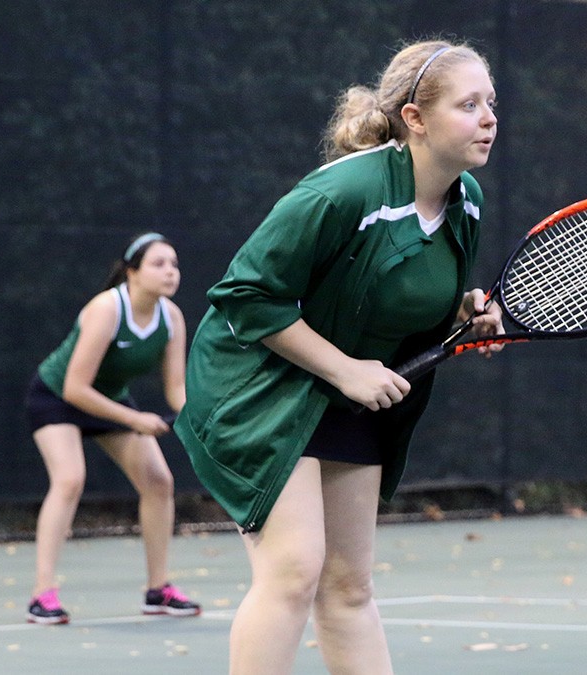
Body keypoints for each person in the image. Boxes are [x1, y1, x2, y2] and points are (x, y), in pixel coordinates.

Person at [174, 40, 502, 673]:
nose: (489, 117)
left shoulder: (465, 204)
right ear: (415, 118)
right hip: (260, 384)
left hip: (349, 388)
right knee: (295, 571)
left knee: (349, 587)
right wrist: (346, 370)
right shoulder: (343, 192)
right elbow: (246, 295)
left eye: (491, 102)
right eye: (468, 104)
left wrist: (462, 312)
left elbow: (389, 295)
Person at [23, 232, 201, 624]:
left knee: (159, 482)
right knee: (69, 480)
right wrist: (136, 420)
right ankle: (42, 595)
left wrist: (200, 412)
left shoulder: (171, 317)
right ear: (132, 272)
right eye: (158, 264)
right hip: (56, 396)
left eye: (174, 264)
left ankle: (158, 590)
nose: (170, 272)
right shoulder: (107, 309)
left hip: (108, 400)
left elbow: (175, 390)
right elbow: (75, 388)